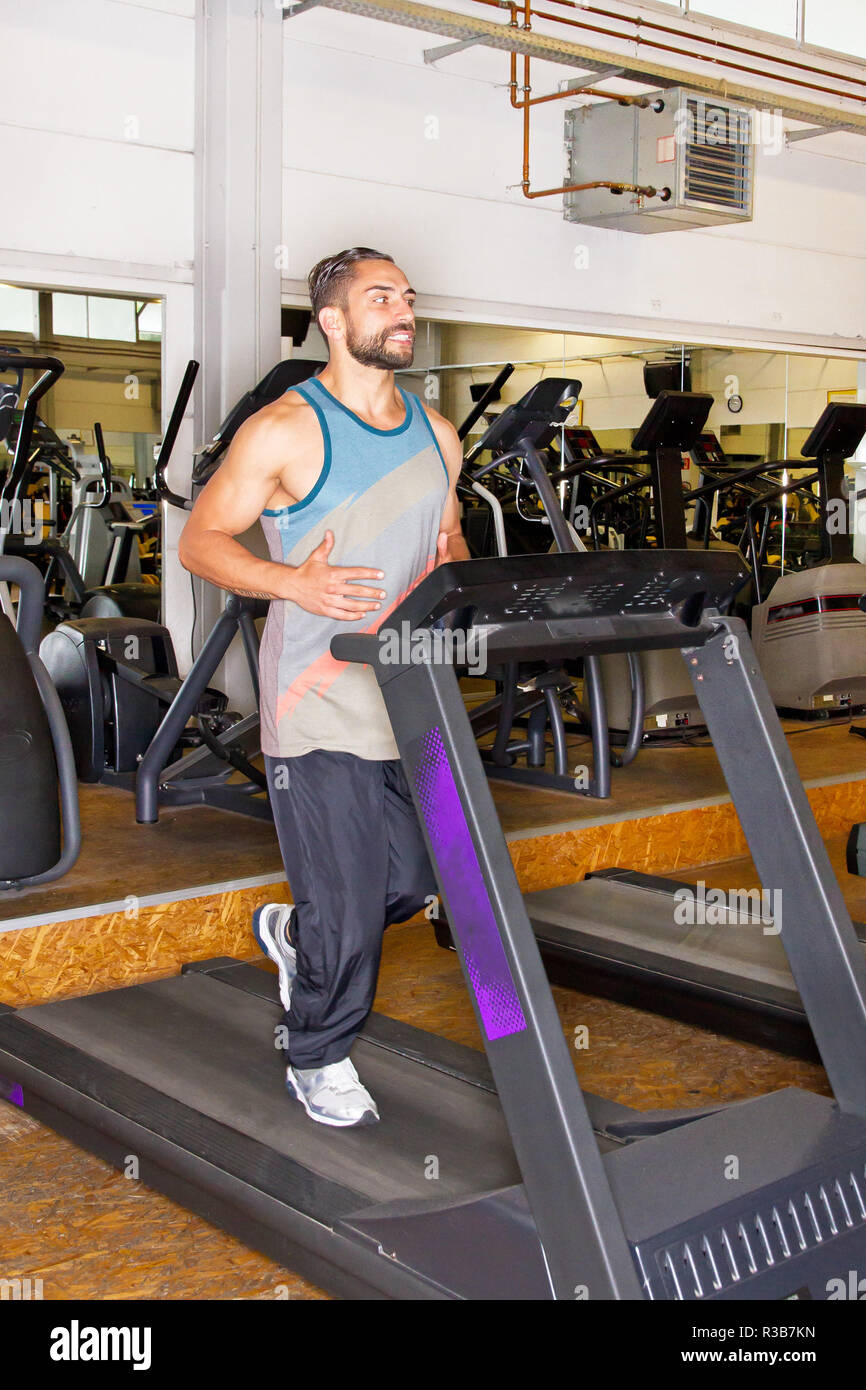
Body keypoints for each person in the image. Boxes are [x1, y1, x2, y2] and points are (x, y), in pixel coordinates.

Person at [178, 247, 469, 1127]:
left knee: (420, 881)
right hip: (318, 705)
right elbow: (202, 542)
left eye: (408, 298)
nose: (403, 311)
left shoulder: (439, 432)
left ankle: (300, 936)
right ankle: (318, 1052)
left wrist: (454, 583)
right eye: (382, 298)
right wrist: (294, 584)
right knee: (346, 906)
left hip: (411, 697)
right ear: (334, 322)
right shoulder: (284, 429)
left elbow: (450, 539)